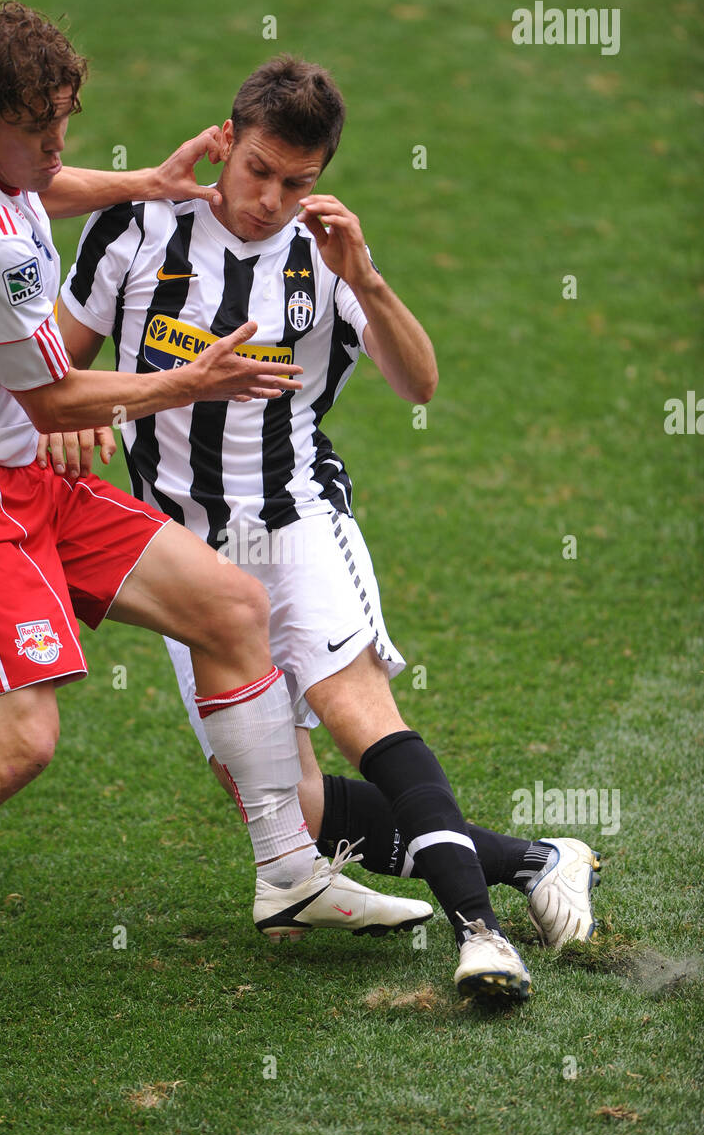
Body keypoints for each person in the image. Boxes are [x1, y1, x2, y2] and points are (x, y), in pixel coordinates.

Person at [0, 11, 430, 1021]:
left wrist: (147, 186)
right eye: (46, 132)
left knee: (230, 604)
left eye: (67, 126)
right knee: (19, 742)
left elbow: (45, 187)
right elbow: (58, 400)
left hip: (19, 473)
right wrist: (187, 381)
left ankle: (289, 868)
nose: (61, 153)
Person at [53, 55, 602, 1001]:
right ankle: (538, 858)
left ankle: (482, 936)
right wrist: (75, 417)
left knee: (361, 718)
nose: (270, 199)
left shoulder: (322, 253)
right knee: (292, 815)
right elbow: (59, 370)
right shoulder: (137, 227)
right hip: (178, 549)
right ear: (224, 143)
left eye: (296, 182)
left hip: (295, 518)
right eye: (258, 170)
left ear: (321, 175)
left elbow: (418, 382)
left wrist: (371, 280)